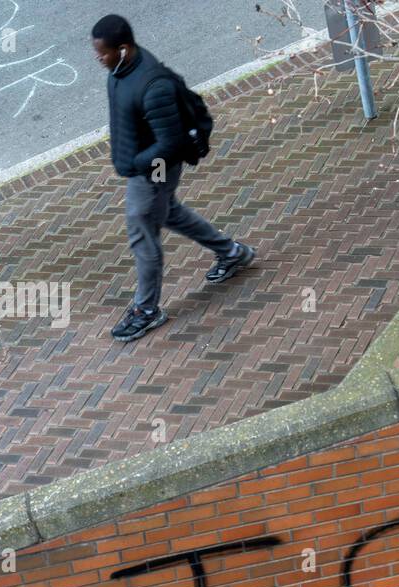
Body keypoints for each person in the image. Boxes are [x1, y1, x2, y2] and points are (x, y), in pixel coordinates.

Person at [91, 14, 254, 343]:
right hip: (144, 166)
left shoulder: (153, 87)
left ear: (123, 49)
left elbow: (170, 144)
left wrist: (138, 165)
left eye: (103, 52)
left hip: (155, 169)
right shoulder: (121, 70)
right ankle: (232, 253)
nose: (98, 58)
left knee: (143, 229)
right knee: (168, 212)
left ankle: (147, 310)